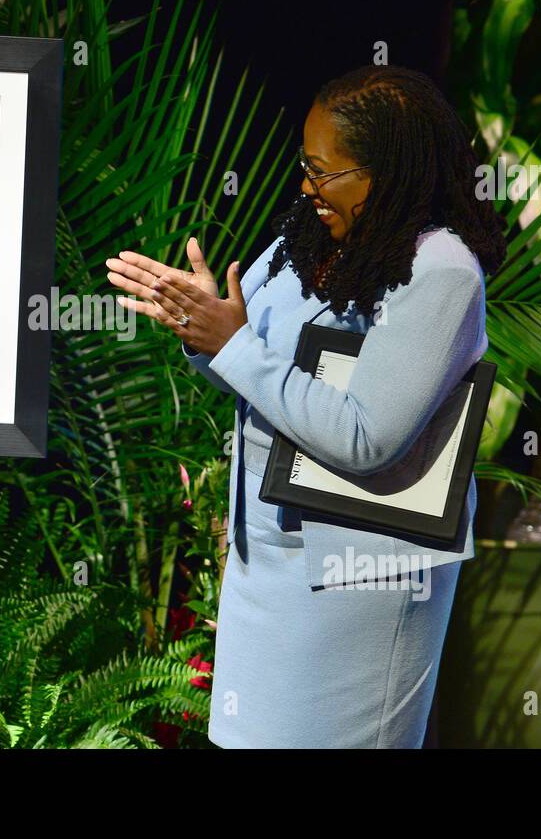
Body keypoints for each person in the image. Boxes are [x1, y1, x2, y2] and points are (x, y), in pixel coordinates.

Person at [105, 64, 509, 748]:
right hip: (267, 562)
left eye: (324, 171)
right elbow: (251, 368)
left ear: (386, 172)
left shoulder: (441, 270)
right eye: (305, 165)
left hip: (360, 579)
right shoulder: (306, 241)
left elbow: (366, 435)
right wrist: (202, 330)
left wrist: (233, 345)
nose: (306, 186)